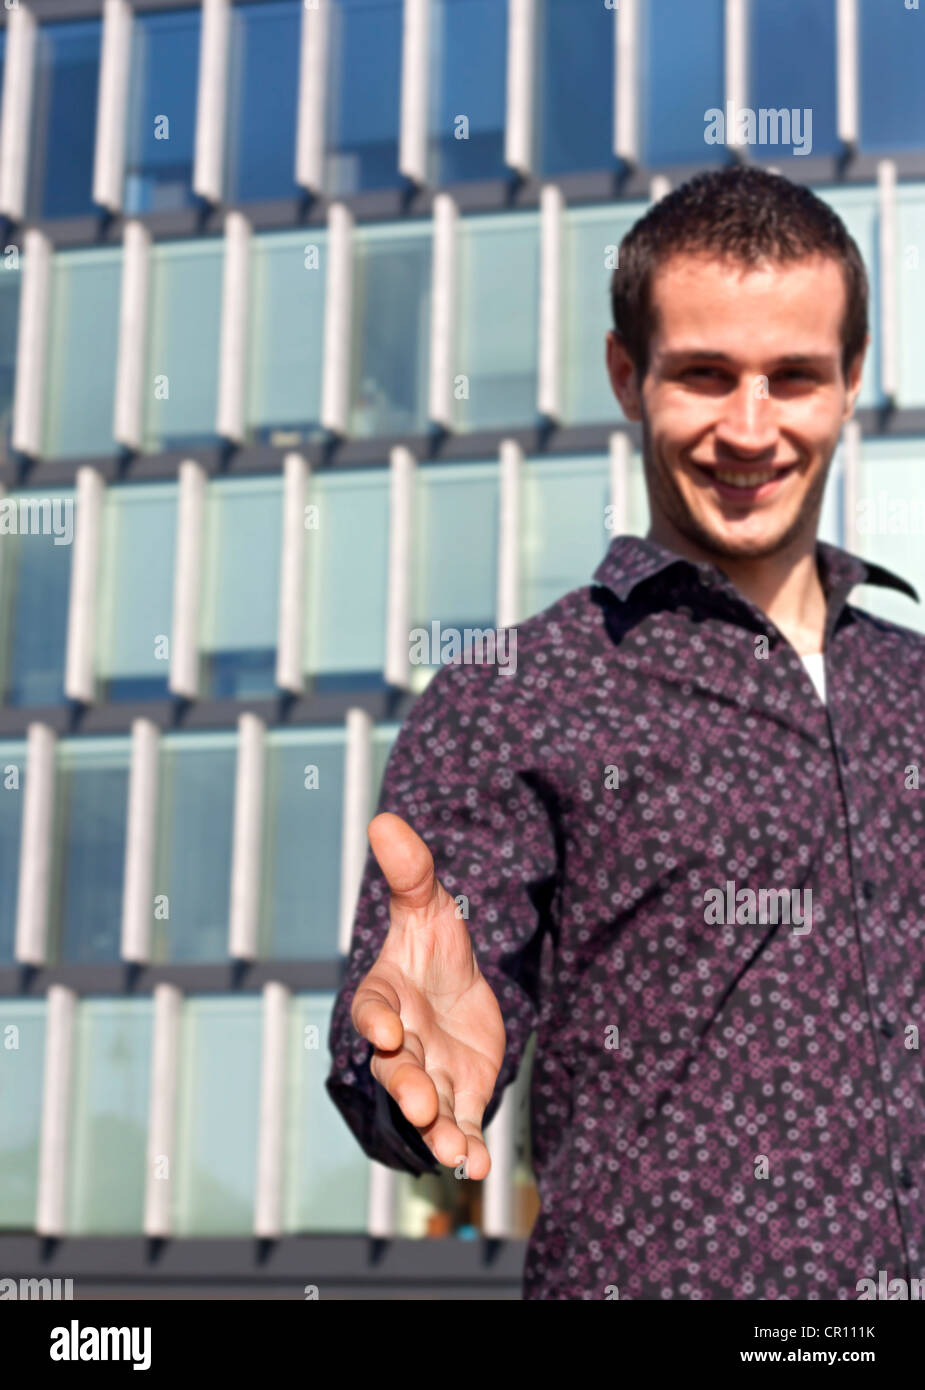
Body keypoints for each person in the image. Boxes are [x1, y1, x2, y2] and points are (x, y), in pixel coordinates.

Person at [326, 167, 925, 1300]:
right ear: (626, 374)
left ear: (849, 382)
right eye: (705, 374)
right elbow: (410, 1051)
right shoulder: (511, 694)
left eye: (792, 377)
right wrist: (415, 1073)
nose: (750, 428)